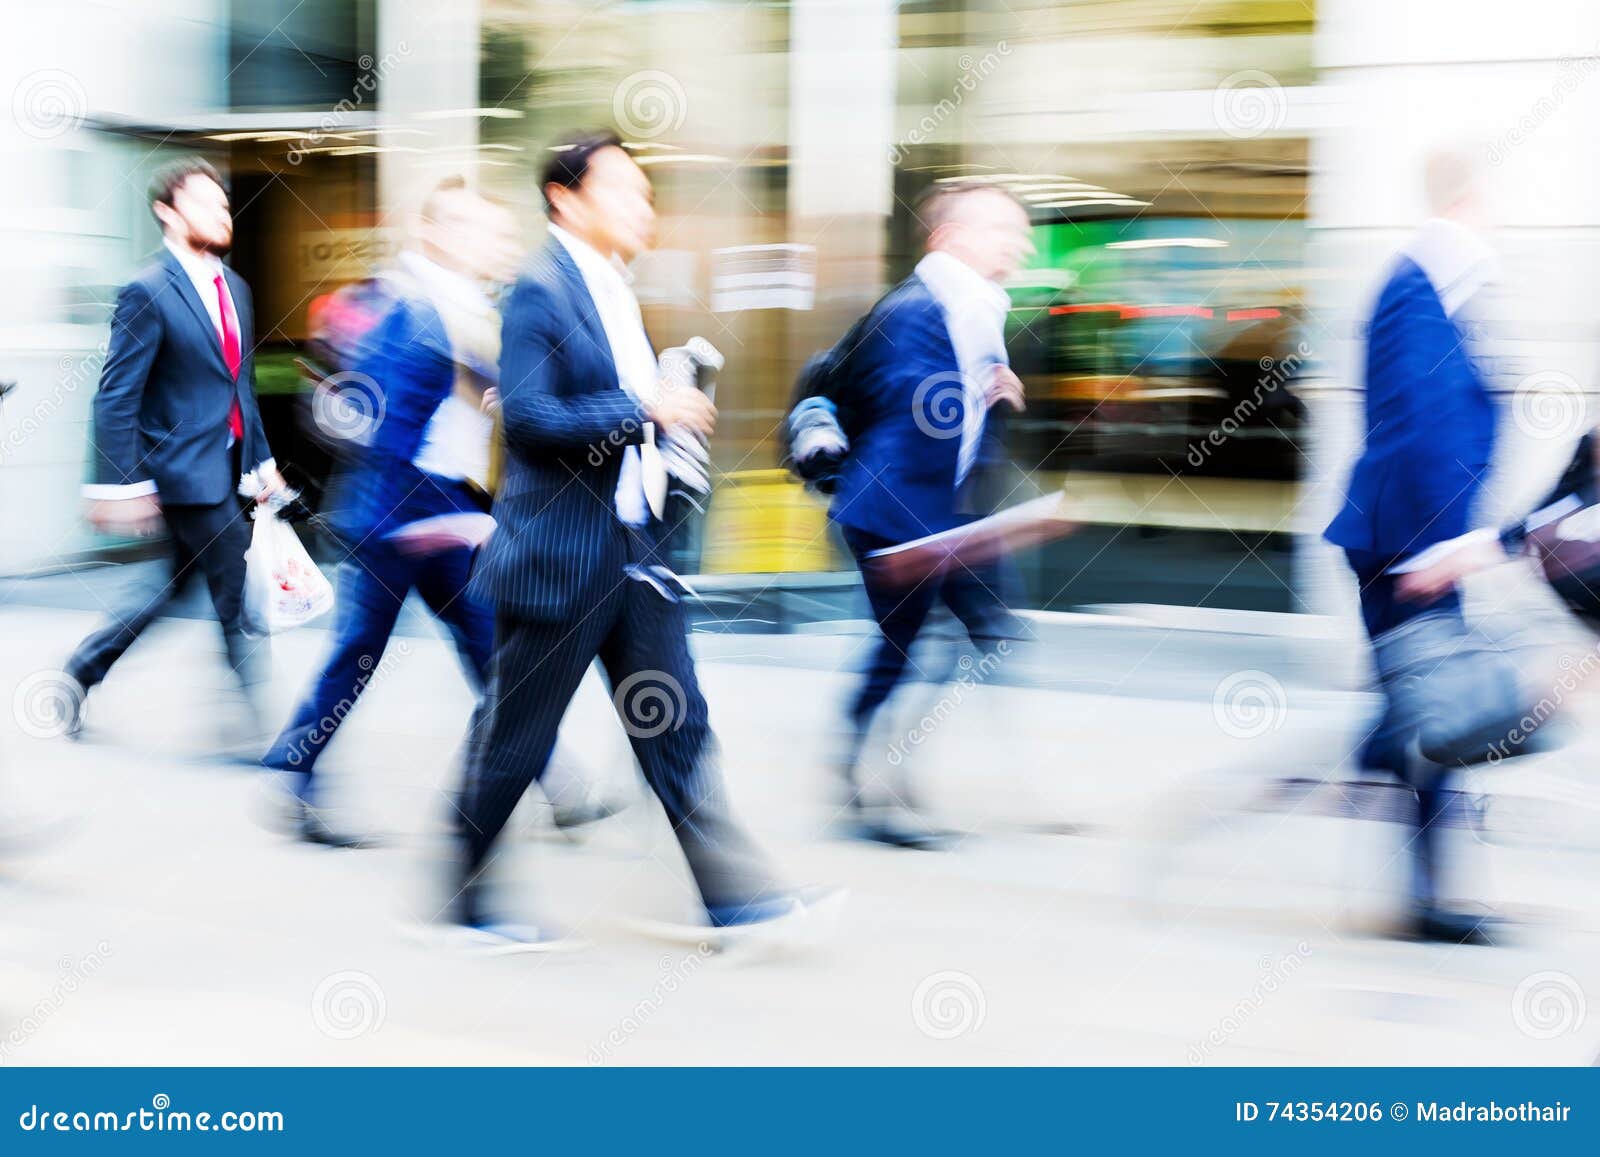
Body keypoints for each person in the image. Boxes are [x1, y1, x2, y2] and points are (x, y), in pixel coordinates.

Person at [449, 131, 823, 949]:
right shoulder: (540, 290)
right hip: (561, 556)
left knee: (674, 724)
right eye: (623, 190)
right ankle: (460, 904)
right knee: (516, 738)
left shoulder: (613, 288)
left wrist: (664, 411)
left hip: (632, 550)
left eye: (646, 192)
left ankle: (737, 902)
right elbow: (531, 417)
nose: (642, 206)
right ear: (566, 198)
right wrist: (646, 409)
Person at [260, 180, 529, 845]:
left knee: (484, 647)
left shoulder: (468, 304)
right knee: (368, 653)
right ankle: (296, 774)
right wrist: (437, 518)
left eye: (495, 230)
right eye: (475, 228)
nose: (493, 242)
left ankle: (548, 774)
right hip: (404, 519)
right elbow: (384, 431)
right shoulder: (413, 307)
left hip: (438, 512)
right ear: (436, 233)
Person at [1325, 146, 1510, 945]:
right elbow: (1412, 436)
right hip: (1405, 545)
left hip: (1417, 542)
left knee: (1420, 712)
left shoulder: (1433, 287)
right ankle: (1429, 900)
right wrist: (1430, 553)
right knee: (1434, 716)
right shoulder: (1417, 289)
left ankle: (1372, 766)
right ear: (1465, 200)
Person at [825, 181, 1033, 848]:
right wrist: (970, 386)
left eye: (1018, 229)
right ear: (949, 236)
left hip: (943, 513)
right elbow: (903, 404)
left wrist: (991, 391)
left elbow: (959, 426)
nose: (1017, 241)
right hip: (898, 516)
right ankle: (865, 778)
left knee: (979, 633)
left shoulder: (975, 304)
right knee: (900, 647)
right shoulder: (920, 306)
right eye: (1001, 227)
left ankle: (879, 768)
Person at [63, 158, 286, 740]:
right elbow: (116, 396)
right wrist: (122, 484)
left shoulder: (234, 288)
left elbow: (241, 386)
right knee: (235, 588)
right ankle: (267, 731)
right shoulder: (146, 290)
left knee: (167, 589)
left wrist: (261, 462)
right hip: (183, 472)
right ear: (167, 212)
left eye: (223, 203)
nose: (221, 212)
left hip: (229, 467)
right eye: (204, 203)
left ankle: (77, 676)